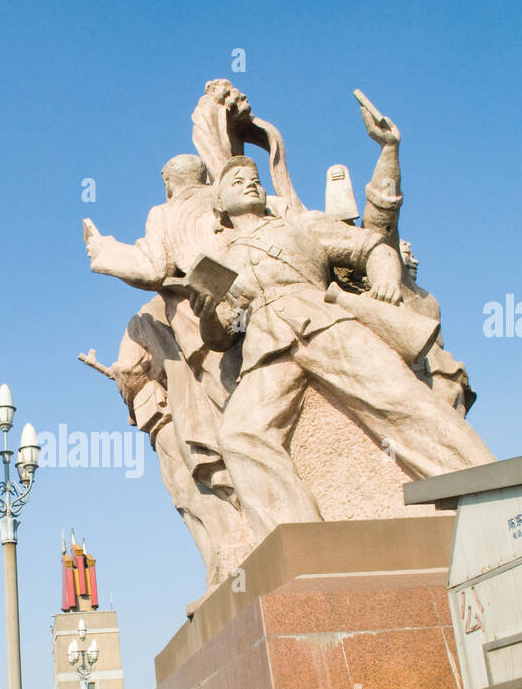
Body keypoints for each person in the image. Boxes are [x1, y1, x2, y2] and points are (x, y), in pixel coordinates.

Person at [188, 157, 494, 545]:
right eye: (237, 181)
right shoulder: (222, 261)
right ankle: (302, 542)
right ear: (220, 204)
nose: (250, 183)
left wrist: (385, 279)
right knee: (240, 433)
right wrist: (206, 314)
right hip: (268, 349)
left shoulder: (300, 225)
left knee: (399, 397)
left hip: (327, 320)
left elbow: (370, 247)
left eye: (254, 179)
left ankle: (488, 488)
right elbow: (221, 336)